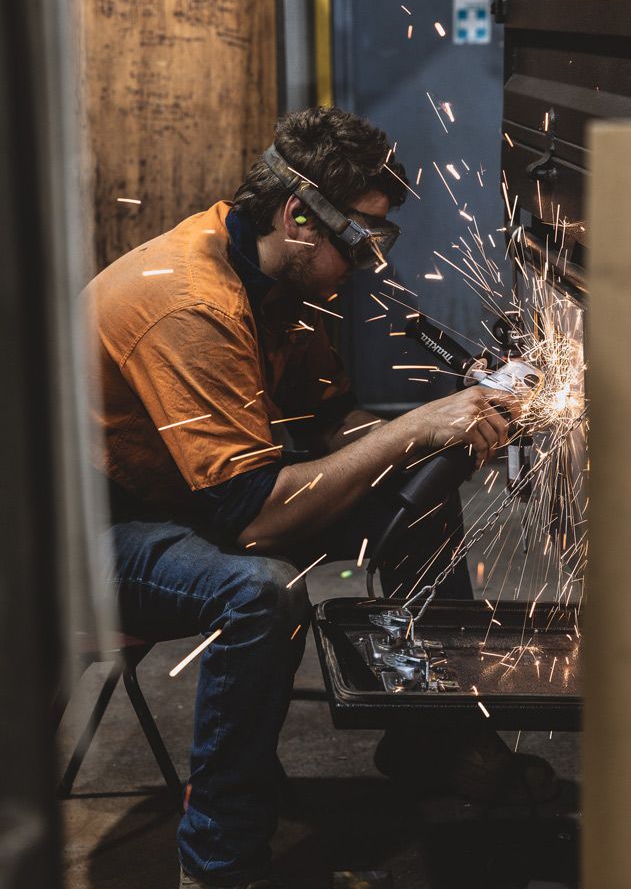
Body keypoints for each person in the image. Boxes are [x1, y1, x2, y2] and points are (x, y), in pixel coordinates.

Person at [85, 107, 517, 889]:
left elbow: (328, 424)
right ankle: (219, 866)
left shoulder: (279, 282)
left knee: (419, 489)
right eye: (365, 240)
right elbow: (253, 522)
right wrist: (412, 427)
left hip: (181, 496)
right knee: (262, 593)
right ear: (298, 217)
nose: (372, 263)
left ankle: (432, 742)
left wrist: (444, 427)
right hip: (82, 531)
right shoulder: (192, 304)